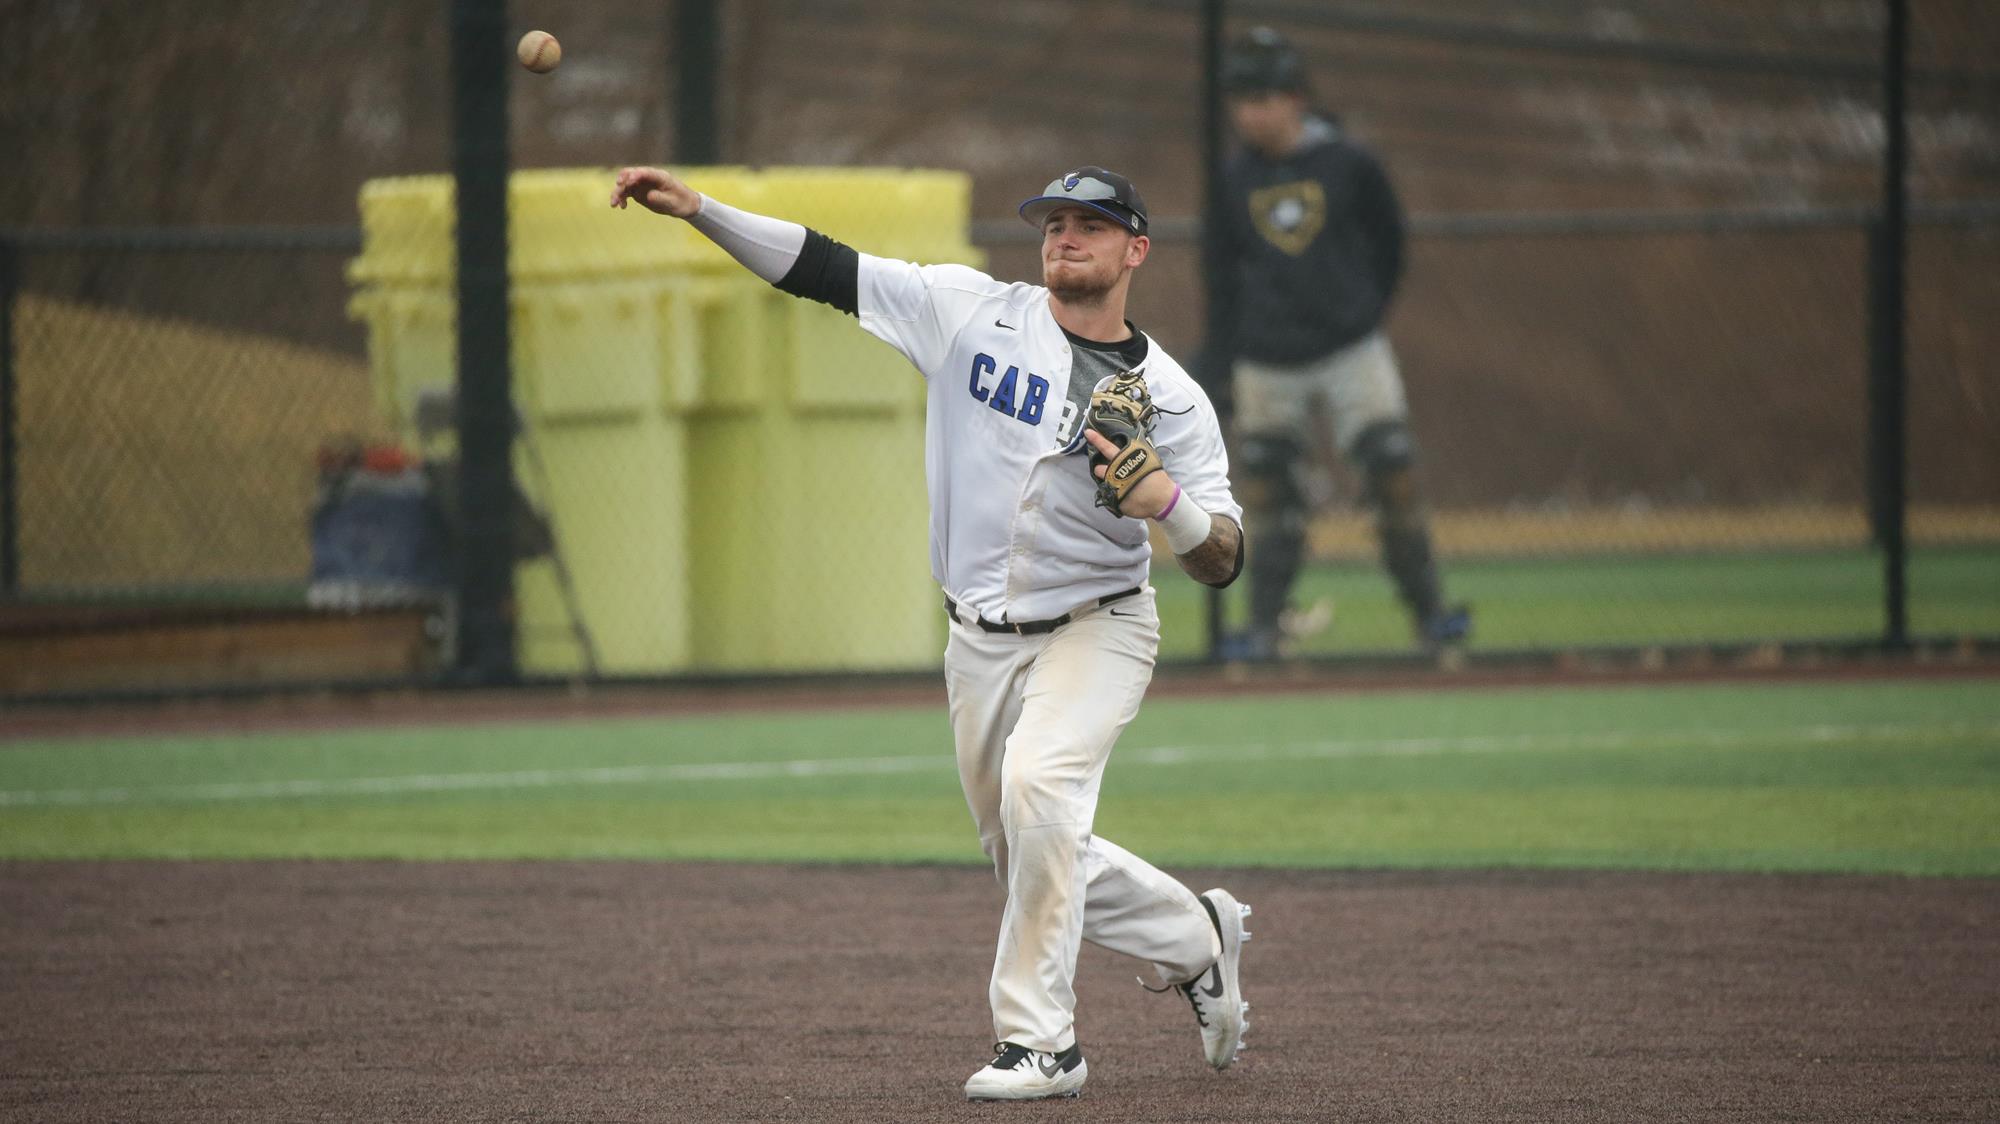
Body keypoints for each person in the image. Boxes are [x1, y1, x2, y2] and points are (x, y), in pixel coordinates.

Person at [611, 164, 1253, 1101]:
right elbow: (824, 269)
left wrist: (1169, 506)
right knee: (1026, 844)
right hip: (978, 640)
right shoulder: (968, 312)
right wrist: (704, 212)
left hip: (1098, 626)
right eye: (1054, 221)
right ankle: (1195, 938)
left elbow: (1225, 557)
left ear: (1135, 250)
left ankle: (1043, 1045)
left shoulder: (1174, 397)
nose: (1064, 236)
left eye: (1091, 224)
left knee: (1041, 790)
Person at [1202, 26, 1470, 660]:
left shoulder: (1349, 163)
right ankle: (1266, 627)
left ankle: (1431, 615)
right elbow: (1219, 273)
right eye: (1241, 101)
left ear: (1296, 98)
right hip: (1267, 355)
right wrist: (1225, 354)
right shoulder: (1233, 178)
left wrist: (1361, 310)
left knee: (1391, 464)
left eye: (1263, 98)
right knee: (1268, 491)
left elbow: (1389, 245)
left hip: (1351, 348)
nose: (1251, 114)